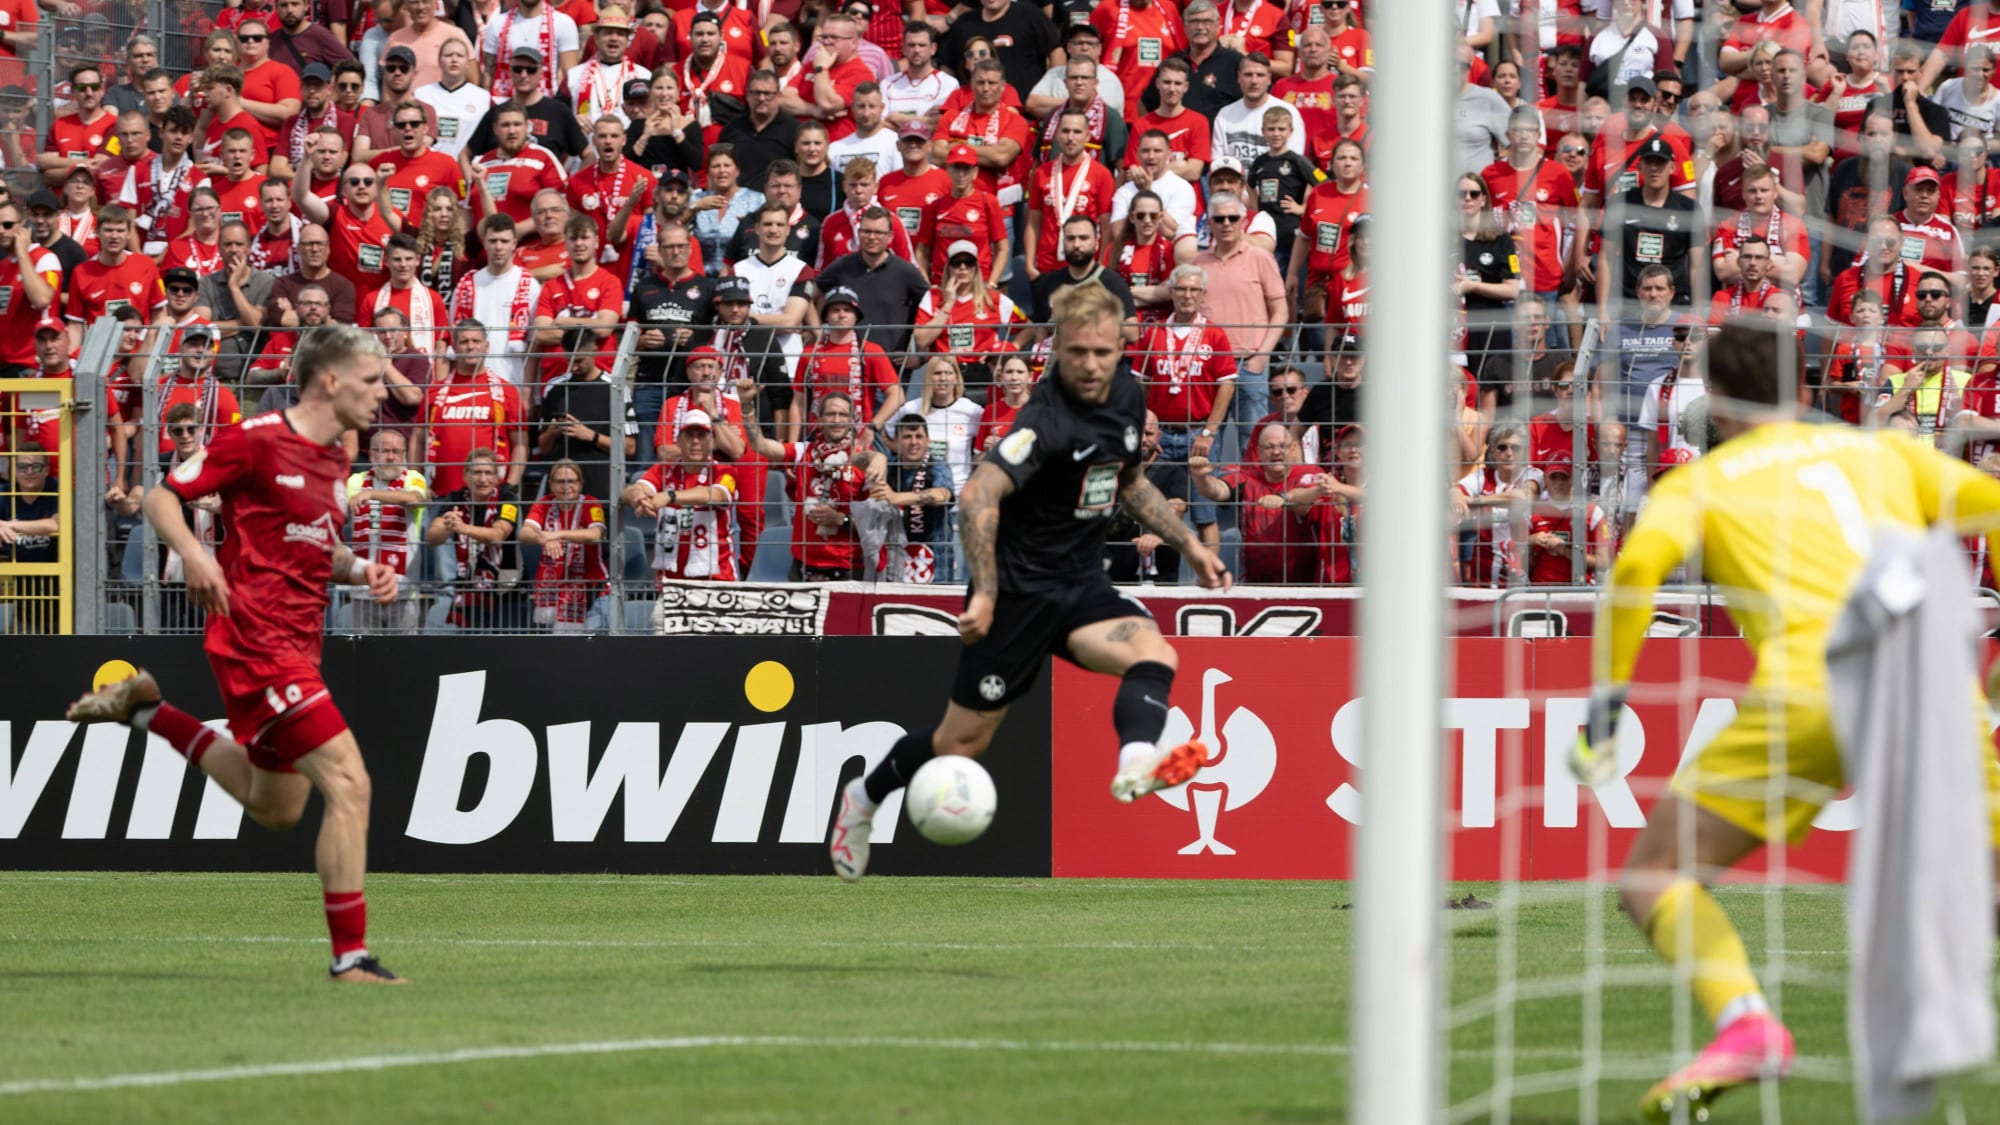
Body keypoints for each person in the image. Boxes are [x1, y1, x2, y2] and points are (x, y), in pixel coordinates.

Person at [1569, 317, 2000, 1119]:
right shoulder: (1886, 452)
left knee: (1656, 873)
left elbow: (1635, 572)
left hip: (1811, 690)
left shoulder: (1697, 484)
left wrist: (1607, 703)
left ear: (1715, 400)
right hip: (1928, 684)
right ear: (1803, 387)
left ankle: (1748, 1024)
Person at [825, 281, 1229, 882]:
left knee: (1154, 653)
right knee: (959, 744)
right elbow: (977, 495)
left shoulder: (1126, 396)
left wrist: (1191, 544)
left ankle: (1138, 761)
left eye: (1102, 352)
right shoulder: (1042, 423)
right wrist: (986, 592)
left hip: (1079, 586)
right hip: (1014, 595)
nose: (1090, 365)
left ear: (1120, 347)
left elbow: (1130, 482)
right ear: (1057, 349)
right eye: (1077, 352)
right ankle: (862, 799)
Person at [67, 325, 404, 984]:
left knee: (274, 806)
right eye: (370, 380)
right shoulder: (255, 439)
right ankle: (351, 958)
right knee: (350, 783)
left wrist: (362, 570)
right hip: (255, 638)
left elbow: (319, 546)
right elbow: (162, 496)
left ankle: (147, 711)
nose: (380, 393)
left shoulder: (335, 461)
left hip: (298, 645)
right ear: (330, 380)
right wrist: (195, 555)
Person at [1191, 421, 1323, 584]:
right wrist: (1201, 477)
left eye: (1283, 446)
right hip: (1256, 582)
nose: (1276, 452)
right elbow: (1219, 491)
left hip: (1306, 584)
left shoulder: (1310, 473)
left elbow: (1306, 503)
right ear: (1258, 452)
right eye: (1269, 447)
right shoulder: (1247, 476)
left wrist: (1284, 499)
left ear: (1294, 448)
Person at [622, 409, 740, 583]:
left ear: (712, 441)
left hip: (716, 578)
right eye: (689, 435)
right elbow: (630, 491)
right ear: (678, 441)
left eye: (701, 436)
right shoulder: (663, 469)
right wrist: (639, 498)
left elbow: (717, 494)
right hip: (670, 579)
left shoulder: (724, 471)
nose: (695, 441)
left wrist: (670, 496)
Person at [424, 447, 523, 630]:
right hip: (465, 591)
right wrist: (447, 526)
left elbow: (498, 535)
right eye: (476, 472)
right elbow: (432, 538)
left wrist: (463, 528)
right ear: (465, 475)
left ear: (497, 477)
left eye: (488, 473)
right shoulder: (455, 499)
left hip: (506, 593)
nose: (482, 479)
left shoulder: (508, 498)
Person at [345, 427, 427, 634]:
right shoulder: (355, 481)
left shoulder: (413, 478)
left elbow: (415, 499)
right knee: (363, 650)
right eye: (384, 451)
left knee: (403, 650)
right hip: (363, 588)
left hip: (403, 588)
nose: (391, 457)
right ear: (372, 455)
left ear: (405, 455)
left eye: (396, 452)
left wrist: (372, 494)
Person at [522, 458, 611, 630]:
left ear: (580, 484)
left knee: (593, 641)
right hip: (554, 590)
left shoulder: (591, 503)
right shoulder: (544, 504)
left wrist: (557, 535)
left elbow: (595, 534)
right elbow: (524, 533)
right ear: (551, 484)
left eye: (571, 481)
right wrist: (542, 538)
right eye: (560, 481)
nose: (566, 486)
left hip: (593, 590)